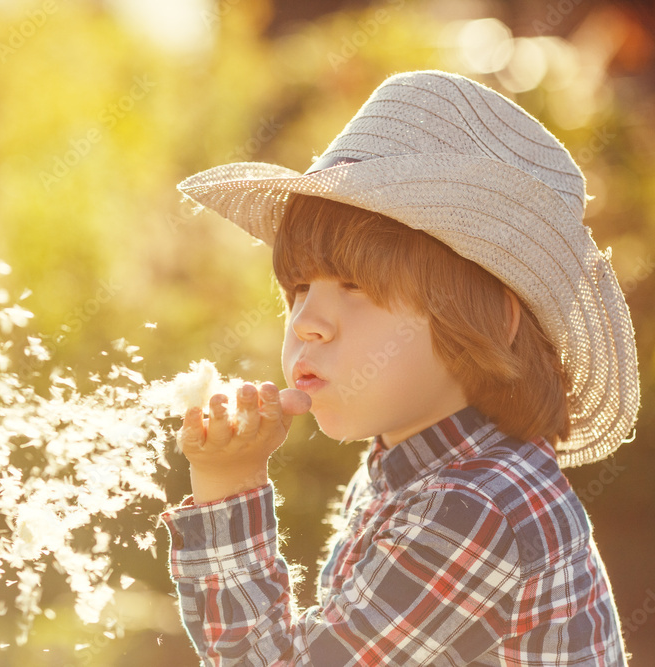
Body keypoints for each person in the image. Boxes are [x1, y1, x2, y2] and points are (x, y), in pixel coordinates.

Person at [161, 70, 640, 665]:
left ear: (494, 322)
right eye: (299, 287)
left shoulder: (476, 508)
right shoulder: (415, 470)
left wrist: (228, 484)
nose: (309, 321)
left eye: (357, 285)